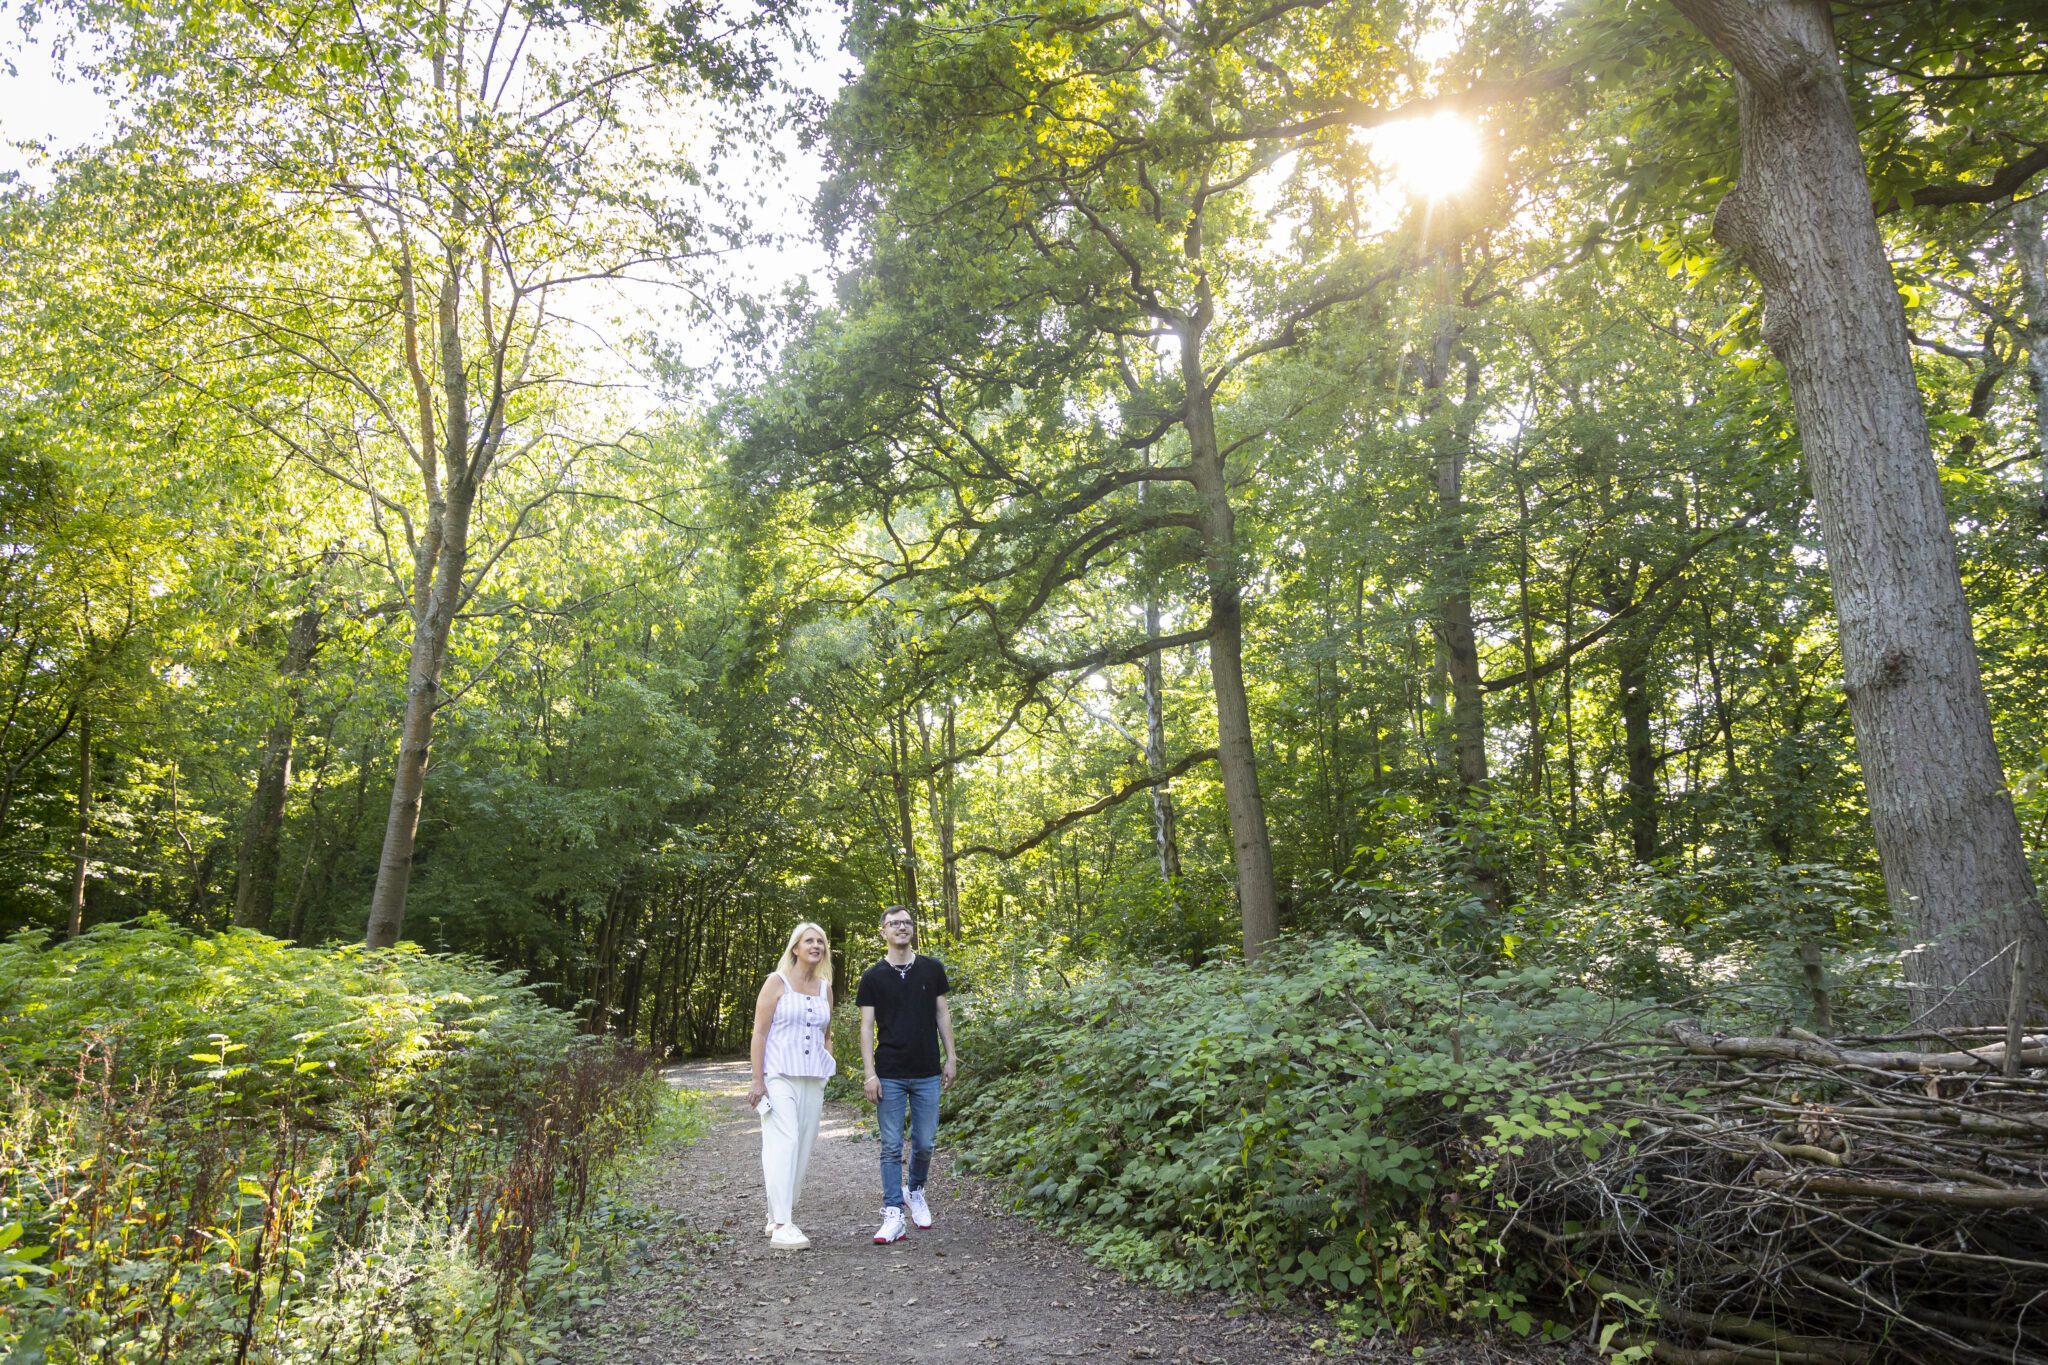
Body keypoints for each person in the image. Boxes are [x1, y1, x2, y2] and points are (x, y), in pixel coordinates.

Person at [856, 904, 957, 1245]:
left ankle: (914, 1189)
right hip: (890, 1073)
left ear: (913, 930)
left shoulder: (931, 969)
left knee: (926, 1142)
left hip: (928, 1070)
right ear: (883, 931)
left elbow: (942, 1015)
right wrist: (870, 1073)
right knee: (890, 1146)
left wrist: (951, 1057)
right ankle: (893, 1213)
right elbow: (867, 1026)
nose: (902, 927)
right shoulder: (872, 977)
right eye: (894, 923)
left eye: (907, 923)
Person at [746, 921, 837, 1251]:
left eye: (820, 941)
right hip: (779, 1075)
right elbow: (759, 1033)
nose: (816, 945)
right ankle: (784, 1224)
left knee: (803, 1145)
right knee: (785, 1141)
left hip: (813, 1078)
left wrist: (828, 1066)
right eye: (808, 940)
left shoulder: (825, 986)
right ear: (795, 948)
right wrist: (758, 1080)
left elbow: (827, 1034)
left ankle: (775, 1213)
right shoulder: (776, 982)